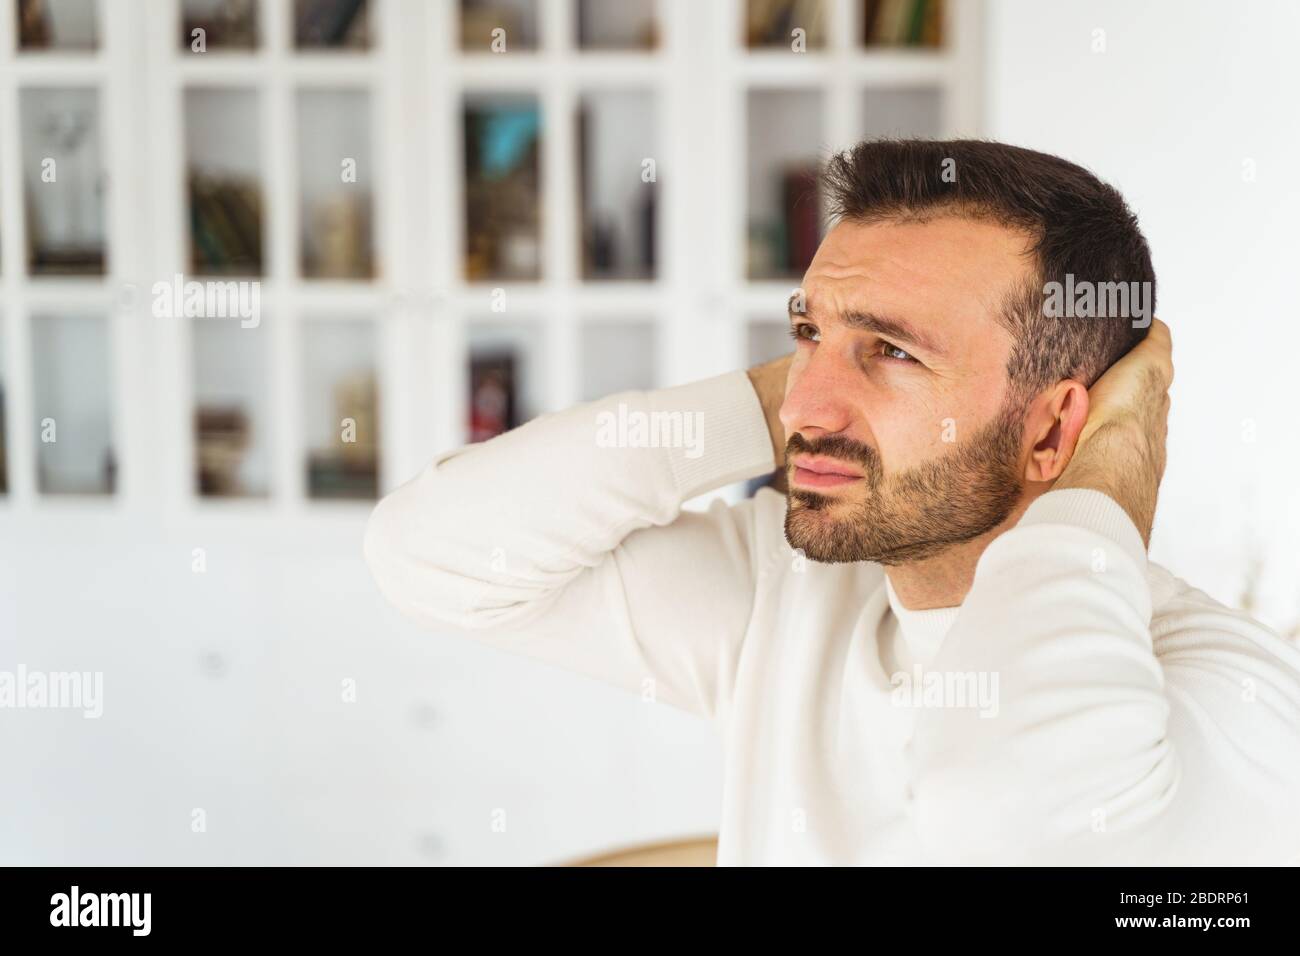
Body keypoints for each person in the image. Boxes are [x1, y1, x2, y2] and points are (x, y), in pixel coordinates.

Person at [364, 139, 1300, 865]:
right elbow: (428, 554)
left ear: (1055, 431)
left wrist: (1115, 469)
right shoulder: (786, 592)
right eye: (807, 333)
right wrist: (764, 401)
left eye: (894, 351)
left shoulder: (1232, 691)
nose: (801, 409)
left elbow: (1011, 808)